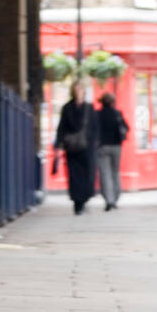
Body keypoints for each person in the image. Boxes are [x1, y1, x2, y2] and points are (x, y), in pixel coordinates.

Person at [54, 80, 97, 214]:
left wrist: (96, 144)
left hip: (87, 147)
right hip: (71, 147)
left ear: (84, 91)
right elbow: (61, 127)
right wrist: (58, 145)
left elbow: (95, 128)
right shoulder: (67, 108)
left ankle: (83, 199)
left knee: (87, 174)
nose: (78, 91)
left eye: (80, 89)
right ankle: (77, 202)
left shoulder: (89, 108)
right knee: (73, 175)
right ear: (73, 91)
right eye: (76, 89)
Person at [96, 91, 129, 211]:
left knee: (105, 174)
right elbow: (126, 128)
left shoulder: (97, 114)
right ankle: (115, 198)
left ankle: (109, 200)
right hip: (116, 146)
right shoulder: (117, 113)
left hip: (102, 147)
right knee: (115, 172)